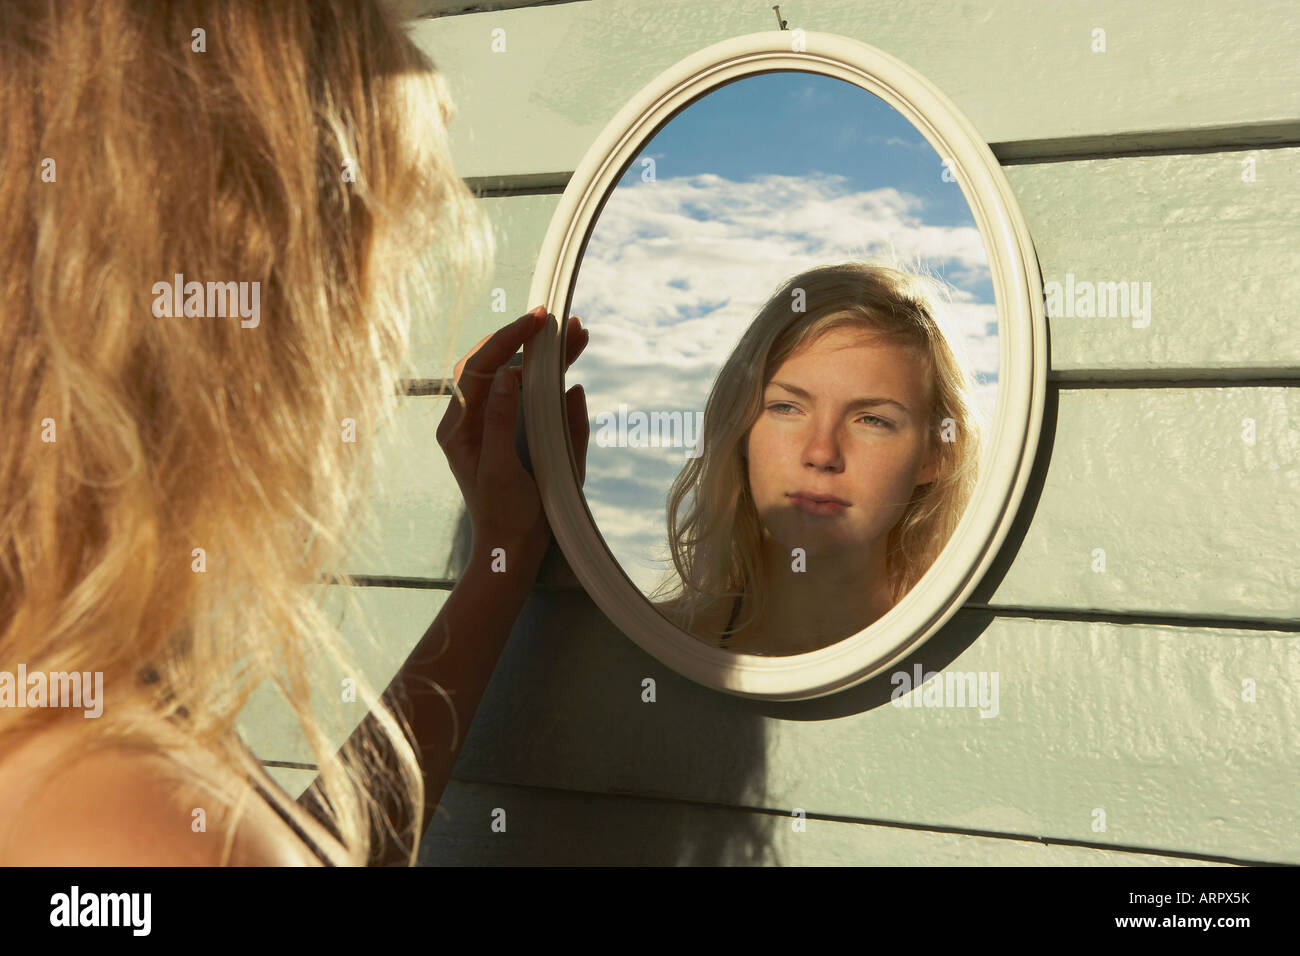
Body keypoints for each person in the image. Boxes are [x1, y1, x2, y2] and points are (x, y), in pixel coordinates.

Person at [0, 0, 587, 866]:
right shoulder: (121, 813)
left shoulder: (57, 682)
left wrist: (499, 561)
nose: (378, 343)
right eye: (374, 260)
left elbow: (325, 845)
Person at [650, 262, 985, 656]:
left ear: (936, 455)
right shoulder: (648, 642)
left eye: (872, 419)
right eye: (787, 408)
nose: (821, 453)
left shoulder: (966, 659)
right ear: (741, 429)